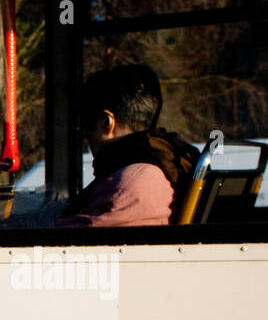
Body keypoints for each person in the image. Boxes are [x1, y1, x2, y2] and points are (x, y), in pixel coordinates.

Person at [57, 63, 199, 228]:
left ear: (106, 122)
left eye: (85, 131)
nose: (87, 140)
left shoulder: (125, 185)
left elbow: (68, 237)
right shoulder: (169, 160)